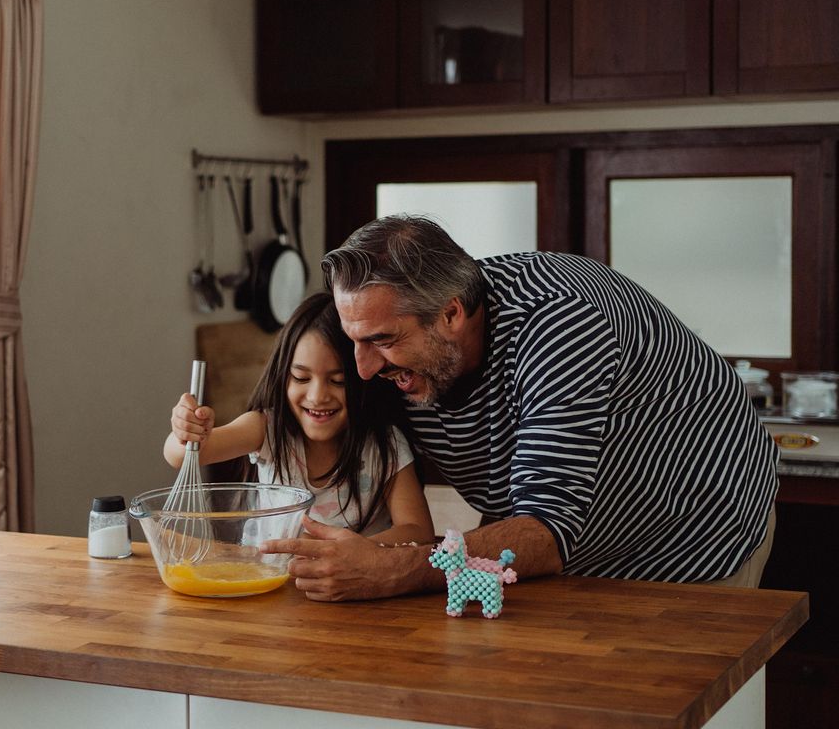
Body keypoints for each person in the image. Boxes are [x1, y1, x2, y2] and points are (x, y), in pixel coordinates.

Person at [263, 215, 778, 600]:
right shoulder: (397, 341)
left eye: (382, 341)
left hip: (696, 534)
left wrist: (396, 570)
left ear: (451, 314)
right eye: (356, 340)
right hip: (568, 546)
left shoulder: (561, 326)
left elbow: (545, 530)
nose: (364, 369)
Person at [165, 292, 434, 545]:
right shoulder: (266, 430)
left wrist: (355, 552)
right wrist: (187, 430)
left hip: (355, 589)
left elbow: (419, 532)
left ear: (364, 382)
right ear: (283, 378)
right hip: (272, 584)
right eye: (301, 378)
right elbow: (181, 456)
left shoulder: (385, 445)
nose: (317, 396)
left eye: (337, 381)